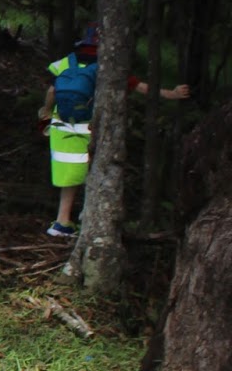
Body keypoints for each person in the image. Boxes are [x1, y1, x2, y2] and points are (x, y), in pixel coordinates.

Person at [36, 23, 191, 237]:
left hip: (61, 125)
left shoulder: (66, 62)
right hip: (90, 127)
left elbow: (52, 91)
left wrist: (45, 113)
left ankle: (62, 222)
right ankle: (89, 222)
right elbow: (141, 88)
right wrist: (172, 94)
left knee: (68, 175)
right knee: (95, 173)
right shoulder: (108, 64)